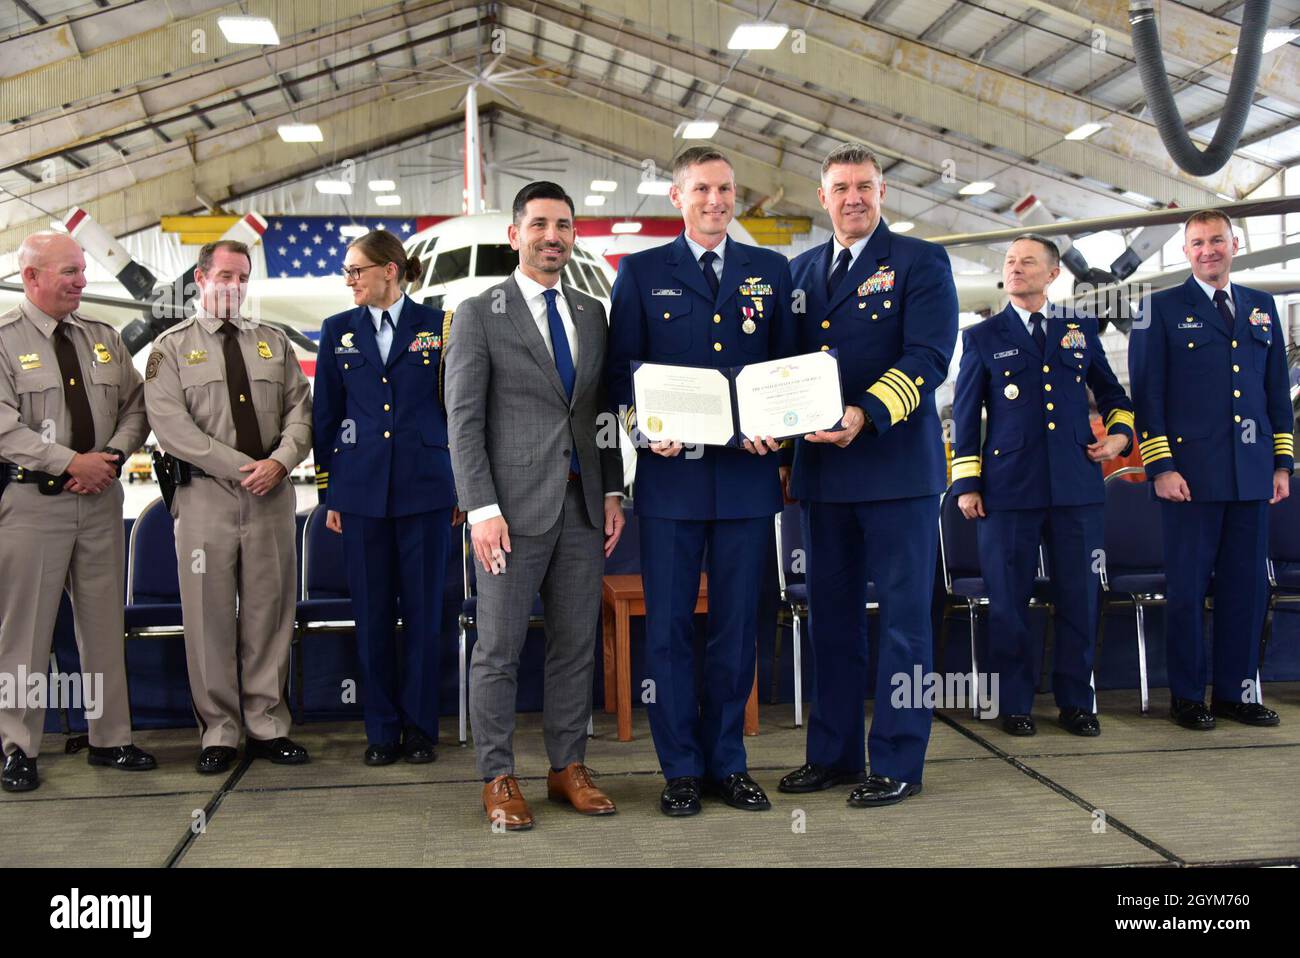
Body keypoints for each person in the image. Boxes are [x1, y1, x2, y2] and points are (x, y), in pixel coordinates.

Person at [606, 147, 797, 816]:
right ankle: (680, 769)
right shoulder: (640, 271)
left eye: (725, 189)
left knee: (737, 626)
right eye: (702, 189)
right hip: (671, 484)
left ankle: (729, 764)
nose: (716, 200)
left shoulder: (769, 270)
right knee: (668, 632)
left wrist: (783, 432)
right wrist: (640, 427)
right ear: (677, 197)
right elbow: (621, 373)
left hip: (746, 481)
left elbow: (786, 367)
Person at [778, 144, 957, 807]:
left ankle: (899, 760)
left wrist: (868, 412)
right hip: (822, 478)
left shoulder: (919, 261)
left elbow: (930, 355)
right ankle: (832, 754)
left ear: (883, 191)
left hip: (897, 474)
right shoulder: (797, 273)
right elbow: (779, 369)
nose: (853, 197)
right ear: (821, 197)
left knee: (906, 623)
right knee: (832, 621)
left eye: (864, 186)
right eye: (840, 187)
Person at [446, 181, 625, 830]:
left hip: (581, 509)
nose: (554, 236)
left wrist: (611, 488)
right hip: (509, 516)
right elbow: (463, 422)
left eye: (566, 225)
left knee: (575, 646)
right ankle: (498, 776)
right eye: (541, 224)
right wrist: (481, 507)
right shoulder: (478, 312)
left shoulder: (590, 311)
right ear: (515, 234)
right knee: (497, 650)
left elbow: (600, 411)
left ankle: (565, 768)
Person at [951, 234, 1134, 738]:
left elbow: (1112, 392)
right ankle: (1014, 702)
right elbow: (966, 415)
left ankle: (1076, 701)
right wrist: (967, 481)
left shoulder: (1078, 330)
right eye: (1009, 261)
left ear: (1053, 274)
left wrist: (1120, 433)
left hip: (1076, 487)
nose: (1015, 269)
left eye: (1027, 262)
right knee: (1009, 600)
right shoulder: (982, 336)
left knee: (1078, 597)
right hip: (1008, 490)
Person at [144, 240, 313, 773]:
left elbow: (301, 413)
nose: (234, 287)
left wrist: (282, 461)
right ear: (200, 278)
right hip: (204, 500)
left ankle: (266, 724)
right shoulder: (169, 349)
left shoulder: (274, 343)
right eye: (224, 276)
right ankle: (218, 730)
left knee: (270, 613)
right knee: (207, 616)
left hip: (271, 496)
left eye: (242, 278)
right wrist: (247, 468)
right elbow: (171, 428)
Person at [0, 231, 155, 792]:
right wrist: (72, 462)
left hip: (99, 502)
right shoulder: (2, 339)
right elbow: (3, 429)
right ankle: (19, 747)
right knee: (25, 634)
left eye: (82, 271)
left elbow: (137, 406)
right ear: (32, 276)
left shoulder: (104, 337)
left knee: (102, 626)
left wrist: (112, 456)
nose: (81, 281)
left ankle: (110, 738)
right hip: (32, 506)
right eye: (68, 271)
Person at [1128, 210, 1292, 730]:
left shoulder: (1262, 308)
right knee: (1188, 590)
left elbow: (1274, 394)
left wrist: (1281, 462)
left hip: (1251, 476)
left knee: (1247, 591)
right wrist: (1160, 466)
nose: (1207, 250)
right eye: (1197, 243)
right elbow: (1147, 396)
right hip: (1189, 481)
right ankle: (1187, 697)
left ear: (1234, 244)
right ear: (1185, 251)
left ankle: (1236, 694)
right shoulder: (1158, 309)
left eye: (1216, 240)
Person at [313, 229, 458, 766]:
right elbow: (325, 416)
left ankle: (421, 728)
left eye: (357, 270)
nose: (349, 280)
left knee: (424, 615)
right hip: (361, 493)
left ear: (390, 270)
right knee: (371, 615)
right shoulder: (338, 332)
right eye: (347, 272)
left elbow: (459, 411)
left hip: (425, 490)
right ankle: (381, 729)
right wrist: (331, 495)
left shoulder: (440, 325)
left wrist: (461, 486)